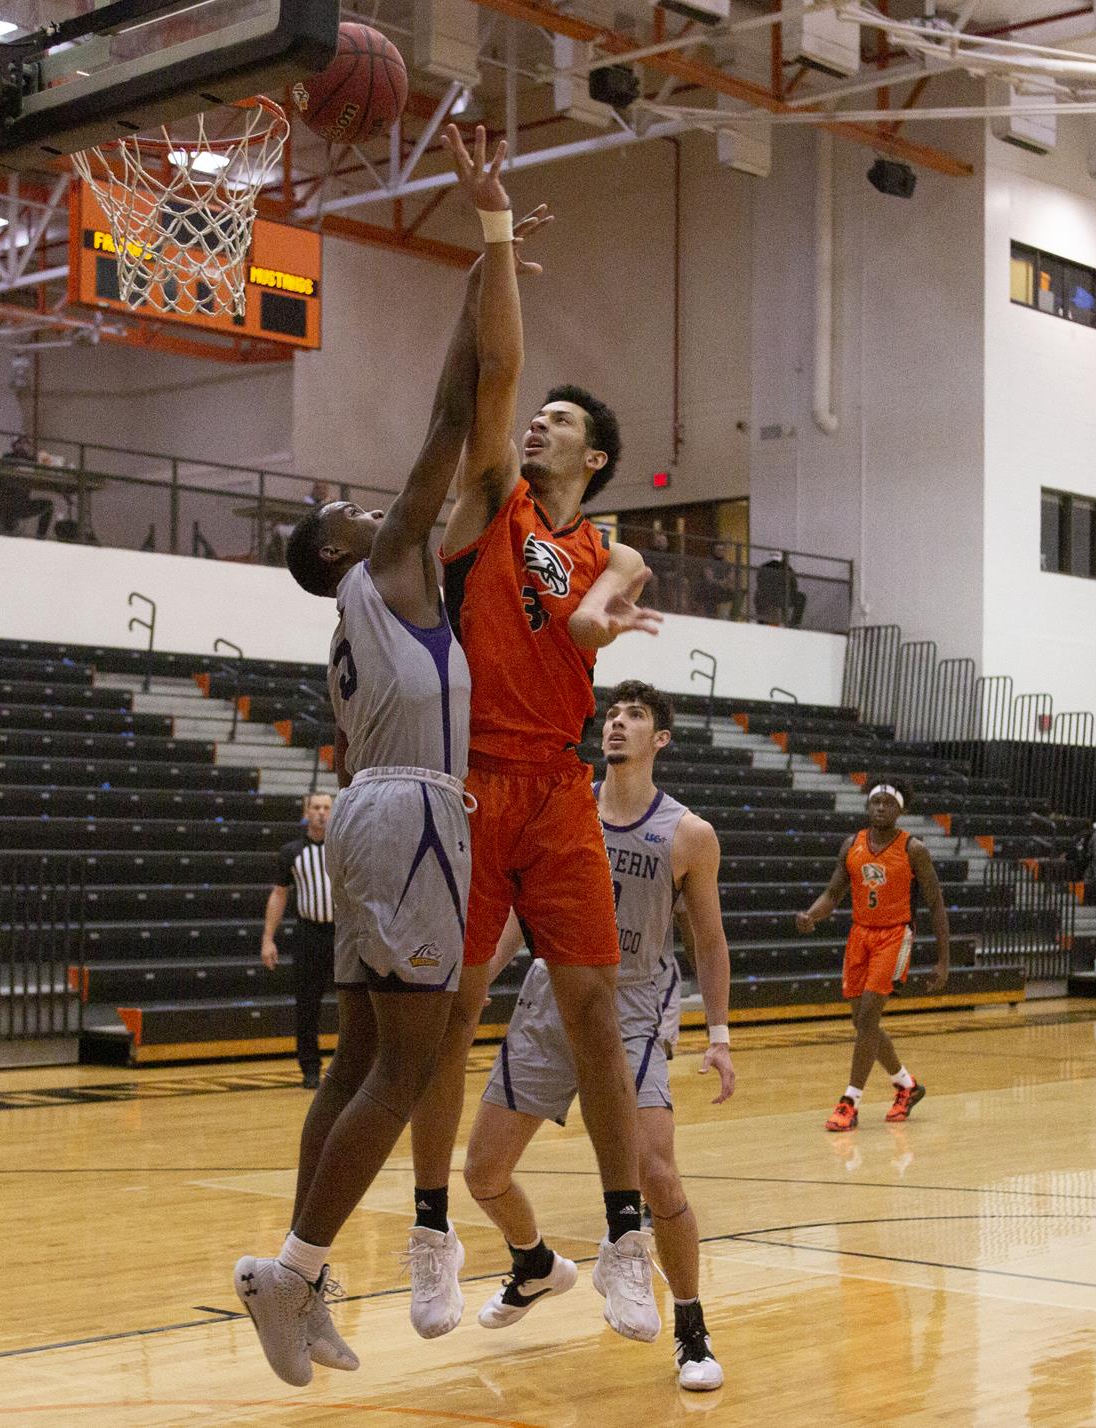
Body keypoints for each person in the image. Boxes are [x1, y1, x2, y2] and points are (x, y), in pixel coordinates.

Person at [230, 191, 532, 1390]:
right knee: (406, 1068)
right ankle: (293, 1269)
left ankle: (299, 1282)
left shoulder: (352, 624)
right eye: (348, 514)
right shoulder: (392, 560)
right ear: (336, 550)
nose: (372, 508)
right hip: (410, 815)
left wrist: (484, 278)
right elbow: (455, 416)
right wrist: (479, 269)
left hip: (366, 809)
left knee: (358, 1061)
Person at [409, 122, 664, 1343]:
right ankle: (431, 1234)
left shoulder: (607, 545)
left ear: (594, 455)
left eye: (560, 421)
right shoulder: (493, 506)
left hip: (556, 789)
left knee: (594, 1012)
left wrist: (604, 613)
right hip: (470, 782)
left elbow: (598, 612)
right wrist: (495, 232)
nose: (536, 425)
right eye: (538, 415)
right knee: (448, 1013)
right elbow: (495, 373)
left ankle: (623, 1242)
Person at [462, 680, 735, 1387]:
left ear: (660, 739)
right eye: (611, 713)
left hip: (633, 1008)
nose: (616, 723)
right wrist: (477, 982)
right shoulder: (564, 810)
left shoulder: (689, 835)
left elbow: (708, 941)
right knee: (482, 1173)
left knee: (656, 1171)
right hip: (550, 1001)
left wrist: (720, 1033)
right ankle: (533, 1263)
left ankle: (692, 1328)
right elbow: (519, 911)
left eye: (634, 716)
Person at [795, 783, 951, 1132]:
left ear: (901, 810)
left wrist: (943, 961)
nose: (880, 807)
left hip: (894, 936)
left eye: (888, 803)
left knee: (867, 1018)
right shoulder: (852, 844)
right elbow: (832, 894)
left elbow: (936, 905)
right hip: (860, 935)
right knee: (861, 1021)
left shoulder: (913, 849)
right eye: (875, 802)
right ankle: (907, 1086)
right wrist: (811, 915)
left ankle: (850, 1102)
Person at [263, 792, 335, 1088]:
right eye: (316, 807)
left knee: (355, 1002)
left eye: (327, 808)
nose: (321, 813)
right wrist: (268, 938)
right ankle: (310, 1068)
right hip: (309, 934)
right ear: (306, 813)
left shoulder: (343, 848)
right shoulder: (291, 852)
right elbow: (279, 894)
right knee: (307, 1004)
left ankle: (355, 1066)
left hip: (342, 935)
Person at [0, 436, 55, 539]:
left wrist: (43, 459)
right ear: (14, 445)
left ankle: (40, 537)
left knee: (48, 505)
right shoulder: (7, 457)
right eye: (20, 443)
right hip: (5, 502)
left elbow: (46, 467)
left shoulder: (33, 460)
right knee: (8, 530)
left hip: (22, 504)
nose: (23, 446)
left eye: (26, 443)